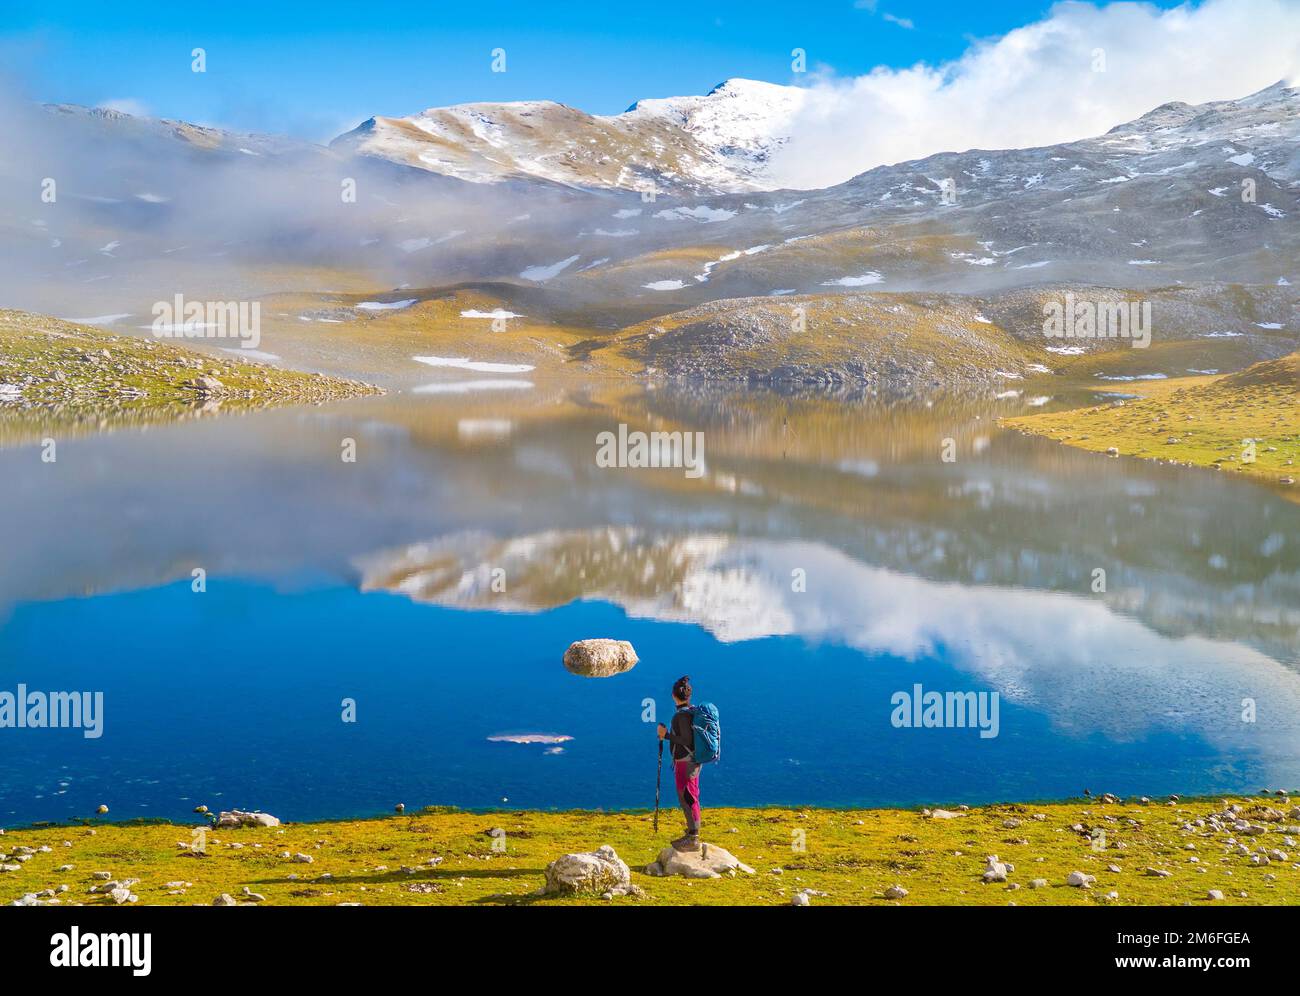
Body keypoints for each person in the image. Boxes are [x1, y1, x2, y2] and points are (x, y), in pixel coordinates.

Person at [657, 675, 701, 851]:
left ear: (674, 696)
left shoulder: (680, 717)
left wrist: (665, 735)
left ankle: (693, 839)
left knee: (687, 797)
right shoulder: (691, 712)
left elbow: (685, 739)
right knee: (691, 795)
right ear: (689, 696)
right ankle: (692, 831)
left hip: (685, 762)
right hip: (693, 760)